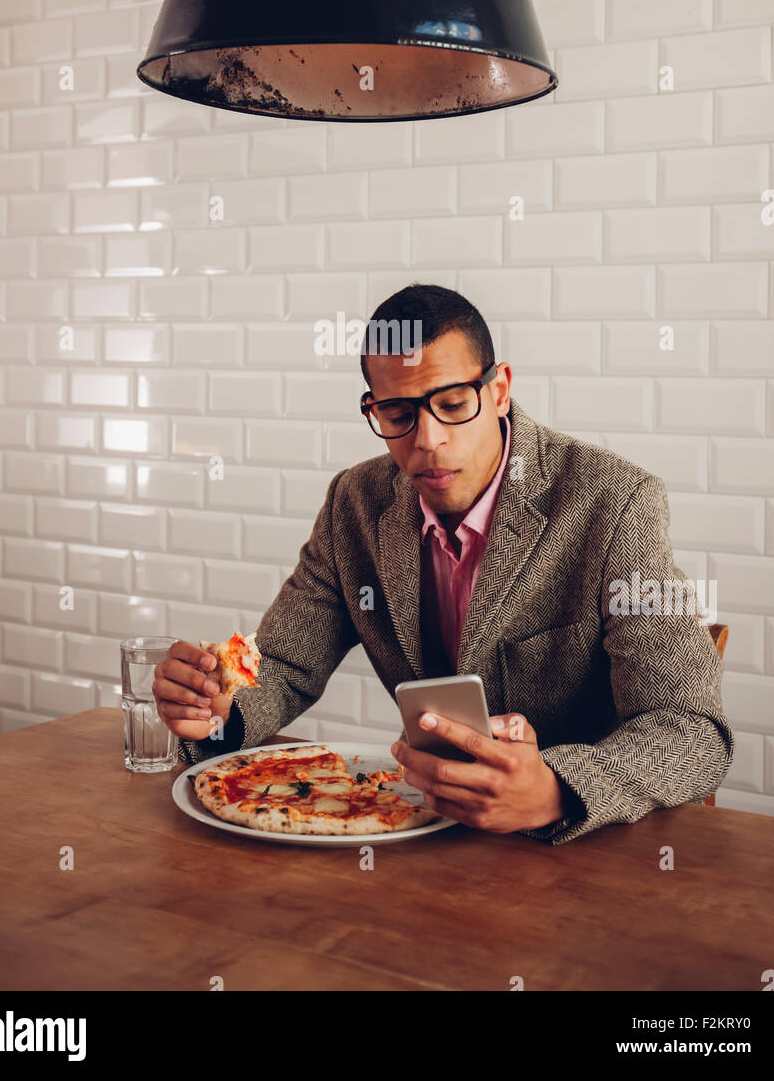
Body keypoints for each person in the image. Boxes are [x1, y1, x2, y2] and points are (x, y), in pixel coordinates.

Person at [153, 283, 733, 844]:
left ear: (500, 389)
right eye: (398, 413)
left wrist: (557, 789)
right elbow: (282, 665)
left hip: (585, 848)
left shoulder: (614, 503)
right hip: (429, 836)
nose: (428, 439)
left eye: (453, 404)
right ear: (371, 407)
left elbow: (691, 730)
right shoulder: (353, 504)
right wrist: (217, 711)